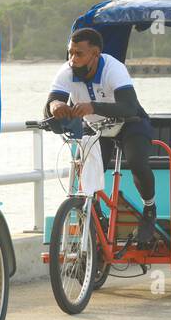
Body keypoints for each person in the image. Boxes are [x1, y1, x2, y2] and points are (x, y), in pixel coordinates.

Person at [45, 27, 160, 246]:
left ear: (95, 54)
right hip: (97, 128)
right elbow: (51, 103)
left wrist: (92, 106)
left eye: (78, 54)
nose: (72, 59)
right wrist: (55, 105)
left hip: (130, 123)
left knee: (137, 162)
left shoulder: (113, 69)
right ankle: (95, 214)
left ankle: (149, 208)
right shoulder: (67, 71)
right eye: (70, 52)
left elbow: (129, 107)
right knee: (85, 170)